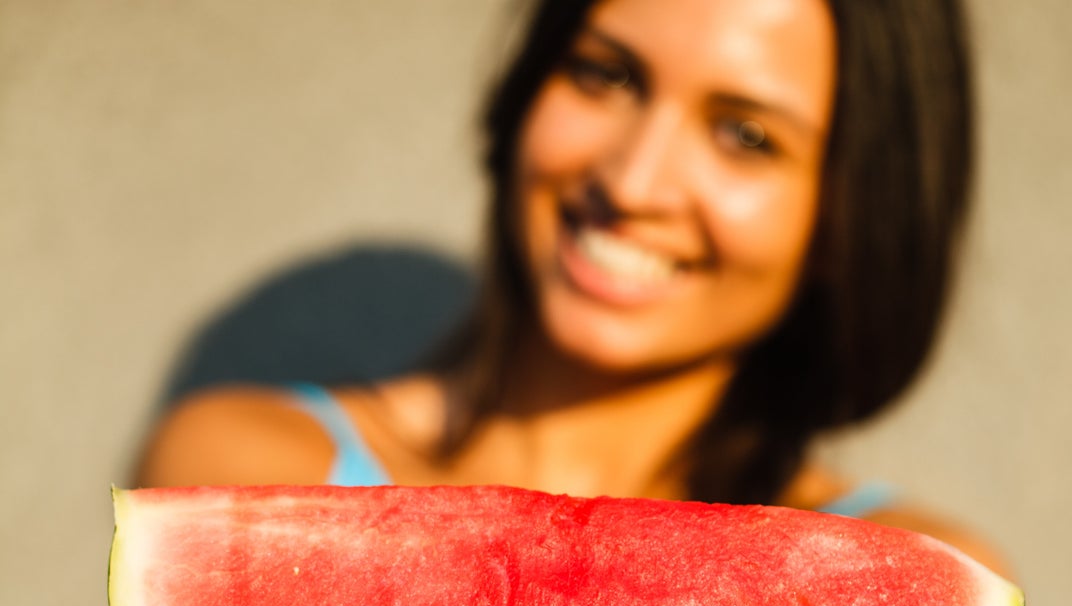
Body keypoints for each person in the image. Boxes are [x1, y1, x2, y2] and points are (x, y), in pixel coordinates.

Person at [137, 0, 1010, 576]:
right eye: (606, 74)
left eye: (745, 135)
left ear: (850, 216)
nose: (633, 182)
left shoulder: (898, 576)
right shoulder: (247, 480)